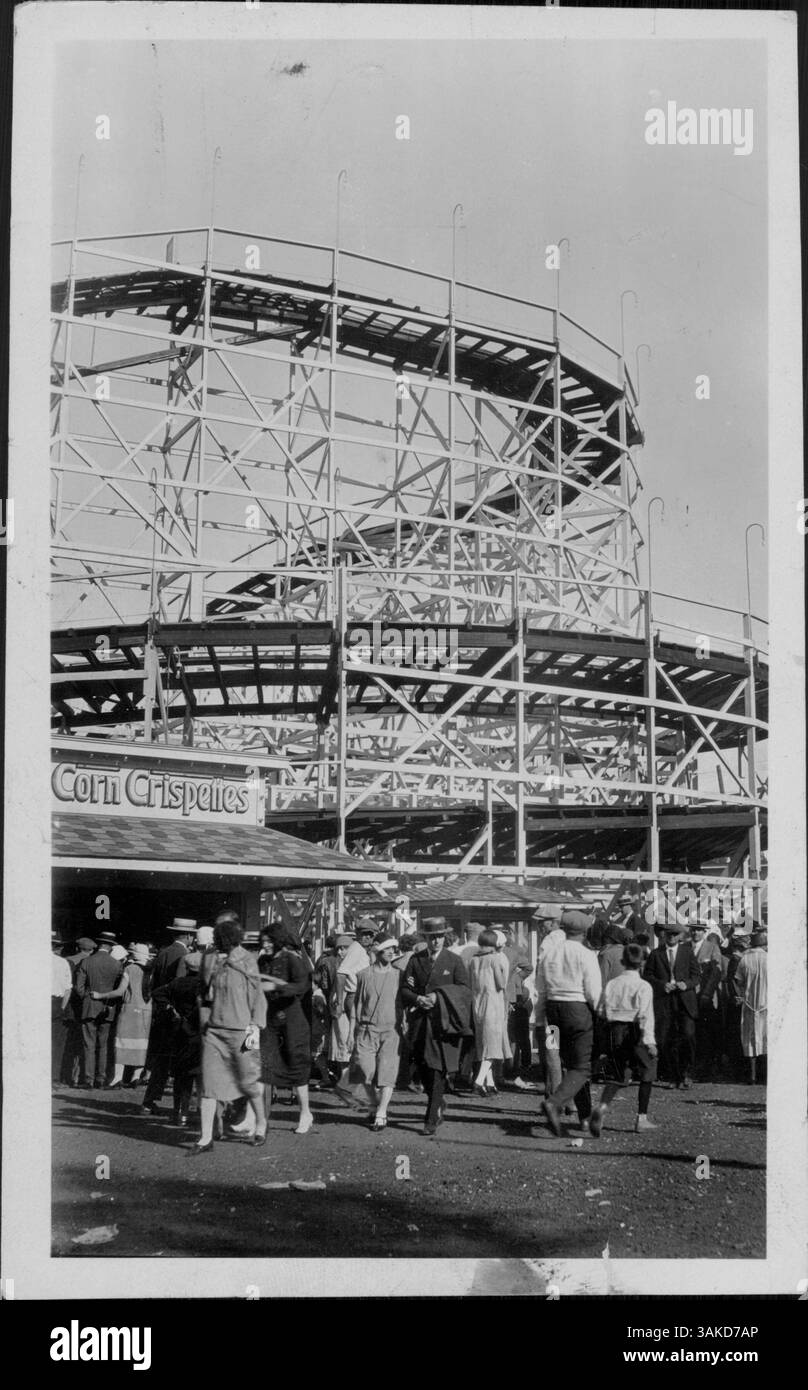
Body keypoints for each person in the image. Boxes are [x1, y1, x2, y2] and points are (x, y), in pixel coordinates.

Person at [189, 913, 268, 1154]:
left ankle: (261, 1124)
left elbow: (257, 997)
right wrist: (204, 1023)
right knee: (209, 1085)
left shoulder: (247, 960)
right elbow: (202, 993)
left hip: (243, 1031)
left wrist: (255, 1030)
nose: (220, 943)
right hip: (214, 1032)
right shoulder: (210, 960)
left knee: (248, 1082)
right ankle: (205, 1138)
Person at [401, 922, 472, 1135]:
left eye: (439, 936)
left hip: (443, 1023)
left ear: (445, 937)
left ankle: (430, 1119)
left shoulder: (454, 960)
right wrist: (417, 998)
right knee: (422, 1067)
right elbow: (405, 988)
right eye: (432, 937)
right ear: (426, 938)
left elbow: (465, 990)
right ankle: (438, 1102)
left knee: (437, 1068)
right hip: (420, 1023)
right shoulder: (416, 959)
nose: (436, 941)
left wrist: (438, 996)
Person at [537, 910, 602, 1136]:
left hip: (552, 1013)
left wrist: (538, 1017)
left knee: (566, 1063)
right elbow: (593, 993)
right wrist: (602, 1014)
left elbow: (541, 989)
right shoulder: (586, 955)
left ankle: (584, 1116)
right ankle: (555, 1102)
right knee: (582, 1066)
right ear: (584, 932)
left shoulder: (549, 953)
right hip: (577, 1012)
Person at [589, 943, 659, 1135]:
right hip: (635, 1031)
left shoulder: (612, 984)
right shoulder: (643, 986)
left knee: (619, 1074)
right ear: (642, 962)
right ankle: (641, 1118)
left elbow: (601, 1010)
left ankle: (601, 1108)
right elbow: (645, 1015)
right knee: (648, 1070)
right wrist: (650, 1041)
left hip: (614, 1031)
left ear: (622, 961)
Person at [258, 926, 315, 1135]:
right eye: (263, 941)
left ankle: (305, 1113)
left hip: (293, 1018)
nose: (265, 945)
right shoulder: (263, 961)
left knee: (296, 1064)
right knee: (265, 1065)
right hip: (270, 1018)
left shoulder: (292, 959)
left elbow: (302, 986)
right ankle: (260, 1118)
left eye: (269, 941)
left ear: (278, 940)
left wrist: (277, 988)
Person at [141, 918, 197, 1114]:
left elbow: (150, 983)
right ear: (189, 936)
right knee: (184, 1062)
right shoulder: (186, 956)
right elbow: (180, 987)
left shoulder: (163, 952)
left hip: (162, 1014)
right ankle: (182, 1106)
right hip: (179, 1016)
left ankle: (149, 1101)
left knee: (161, 1061)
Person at [350, 937, 403, 1131]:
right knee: (365, 1072)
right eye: (387, 949)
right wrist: (352, 1033)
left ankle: (381, 1111)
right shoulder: (363, 975)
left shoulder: (399, 975)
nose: (391, 952)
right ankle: (373, 1104)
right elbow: (358, 1005)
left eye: (394, 949)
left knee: (387, 1074)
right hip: (366, 1030)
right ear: (377, 951)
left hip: (391, 1031)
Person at [643, 923, 700, 1089]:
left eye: (675, 935)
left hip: (685, 1001)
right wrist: (662, 985)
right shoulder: (656, 954)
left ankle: (687, 1073)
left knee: (688, 1035)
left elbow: (696, 975)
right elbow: (647, 976)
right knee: (667, 1038)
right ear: (664, 936)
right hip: (665, 1001)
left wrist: (686, 984)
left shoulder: (687, 952)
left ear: (680, 936)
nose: (672, 938)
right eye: (669, 935)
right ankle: (674, 1076)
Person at [151, 950, 204, 1124]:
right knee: (202, 1075)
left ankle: (181, 1112)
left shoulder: (177, 983)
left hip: (180, 1032)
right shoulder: (204, 985)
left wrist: (171, 1009)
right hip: (201, 1032)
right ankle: (203, 1112)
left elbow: (157, 993)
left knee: (182, 1076)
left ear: (187, 967)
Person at [74, 932, 125, 1089]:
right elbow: (119, 989)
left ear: (99, 944)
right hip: (108, 1008)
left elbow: (78, 987)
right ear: (110, 946)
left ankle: (88, 1080)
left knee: (89, 1044)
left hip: (89, 1006)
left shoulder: (86, 961)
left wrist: (88, 997)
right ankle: (101, 1078)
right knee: (103, 1045)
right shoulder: (117, 964)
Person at [103, 943, 152, 1088]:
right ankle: (135, 1077)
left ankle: (117, 1078)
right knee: (141, 1044)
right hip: (147, 1010)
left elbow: (120, 991)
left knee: (122, 1042)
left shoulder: (129, 969)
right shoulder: (152, 970)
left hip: (130, 1009)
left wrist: (101, 995)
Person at [469, 928, 511, 1095]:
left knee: (483, 1045)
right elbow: (501, 984)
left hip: (477, 1004)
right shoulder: (494, 959)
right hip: (493, 1004)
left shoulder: (473, 960)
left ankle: (490, 1082)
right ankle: (479, 1081)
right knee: (493, 1046)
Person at [60, 936, 96, 1086]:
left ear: (77, 948)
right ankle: (79, 1076)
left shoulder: (68, 960)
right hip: (86, 1006)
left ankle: (67, 1076)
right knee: (84, 1044)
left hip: (69, 1005)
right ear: (92, 950)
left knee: (68, 1043)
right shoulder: (92, 962)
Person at [733, 929, 767, 1084]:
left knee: (750, 1038)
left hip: (749, 1004)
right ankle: (764, 1076)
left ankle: (752, 1076)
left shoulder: (744, 960)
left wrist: (742, 993)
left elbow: (738, 982)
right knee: (766, 1037)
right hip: (767, 1004)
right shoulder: (770, 959)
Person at [692, 923, 723, 1079]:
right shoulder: (685, 947)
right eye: (693, 930)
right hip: (690, 997)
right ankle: (695, 1068)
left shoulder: (712, 947)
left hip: (706, 997)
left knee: (707, 1033)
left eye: (698, 930)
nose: (695, 933)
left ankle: (708, 1069)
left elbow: (716, 973)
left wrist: (707, 994)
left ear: (704, 932)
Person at [508, 960, 535, 1087]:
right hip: (520, 1007)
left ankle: (517, 1065)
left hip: (518, 1008)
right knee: (520, 1040)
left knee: (517, 1039)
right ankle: (521, 1065)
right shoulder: (516, 975)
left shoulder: (515, 975)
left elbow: (529, 968)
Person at [51, 933, 73, 1083]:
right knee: (56, 1041)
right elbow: (68, 988)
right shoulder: (63, 963)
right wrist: (63, 1007)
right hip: (56, 1002)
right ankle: (53, 1076)